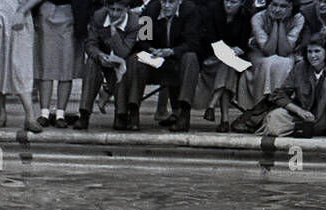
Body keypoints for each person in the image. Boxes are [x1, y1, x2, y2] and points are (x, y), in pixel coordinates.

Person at [128, 0, 204, 131]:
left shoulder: (190, 10)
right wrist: (152, 50)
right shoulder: (150, 10)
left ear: (179, 2)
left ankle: (184, 114)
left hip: (177, 60)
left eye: (171, 2)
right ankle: (133, 112)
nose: (167, 6)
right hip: (155, 59)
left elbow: (192, 42)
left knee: (191, 58)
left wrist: (172, 51)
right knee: (136, 59)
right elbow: (142, 41)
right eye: (164, 2)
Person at [72, 0, 135, 129]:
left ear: (127, 9)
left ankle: (121, 113)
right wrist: (100, 55)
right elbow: (90, 44)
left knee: (124, 66)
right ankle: (84, 113)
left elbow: (123, 52)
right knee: (91, 64)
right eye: (111, 9)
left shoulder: (134, 22)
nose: (114, 13)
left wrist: (113, 31)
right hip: (103, 57)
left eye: (119, 10)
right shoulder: (98, 16)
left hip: (123, 60)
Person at [0, 0, 43, 131]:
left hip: (19, 14)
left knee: (21, 65)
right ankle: (1, 113)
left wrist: (22, 11)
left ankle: (30, 116)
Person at [193, 0, 251, 131]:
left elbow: (244, 43)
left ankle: (213, 107)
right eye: (227, 1)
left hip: (232, 61)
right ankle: (223, 118)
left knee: (228, 64)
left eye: (233, 2)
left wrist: (239, 49)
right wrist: (227, 51)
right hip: (211, 58)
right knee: (228, 64)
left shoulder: (246, 16)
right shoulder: (213, 12)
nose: (228, 5)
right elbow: (210, 39)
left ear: (242, 3)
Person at [262, 32, 326, 135]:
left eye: (317, 51)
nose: (313, 56)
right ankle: (302, 129)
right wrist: (299, 111)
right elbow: (279, 94)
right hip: (302, 116)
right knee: (275, 116)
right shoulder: (300, 67)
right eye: (310, 52)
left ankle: (306, 129)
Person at [32, 0, 82, 126]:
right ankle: (44, 113)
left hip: (70, 12)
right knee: (46, 64)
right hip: (46, 11)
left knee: (66, 65)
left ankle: (60, 114)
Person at [248, 0, 303, 106]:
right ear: (268, 5)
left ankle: (279, 103)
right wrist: (274, 23)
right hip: (259, 52)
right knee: (267, 63)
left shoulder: (298, 18)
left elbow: (284, 51)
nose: (277, 9)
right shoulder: (258, 17)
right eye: (274, 5)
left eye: (283, 6)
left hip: (287, 52)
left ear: (291, 7)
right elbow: (269, 51)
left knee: (286, 62)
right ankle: (260, 104)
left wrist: (281, 23)